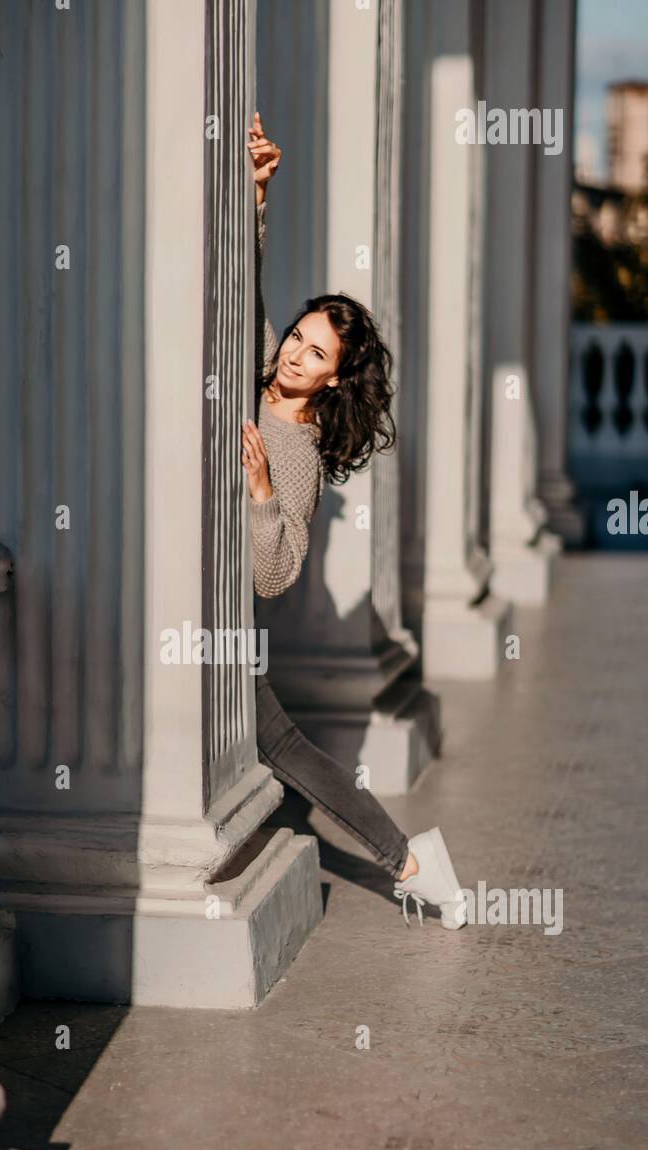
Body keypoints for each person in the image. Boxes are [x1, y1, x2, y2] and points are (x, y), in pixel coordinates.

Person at [243, 113, 466, 929]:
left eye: (313, 356)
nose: (293, 354)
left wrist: (263, 493)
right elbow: (245, 292)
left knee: (287, 751)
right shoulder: (262, 371)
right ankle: (413, 860)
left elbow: (277, 572)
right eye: (297, 338)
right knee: (283, 749)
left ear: (334, 383)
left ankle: (409, 861)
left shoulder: (294, 445)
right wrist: (259, 195)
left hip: (226, 624)